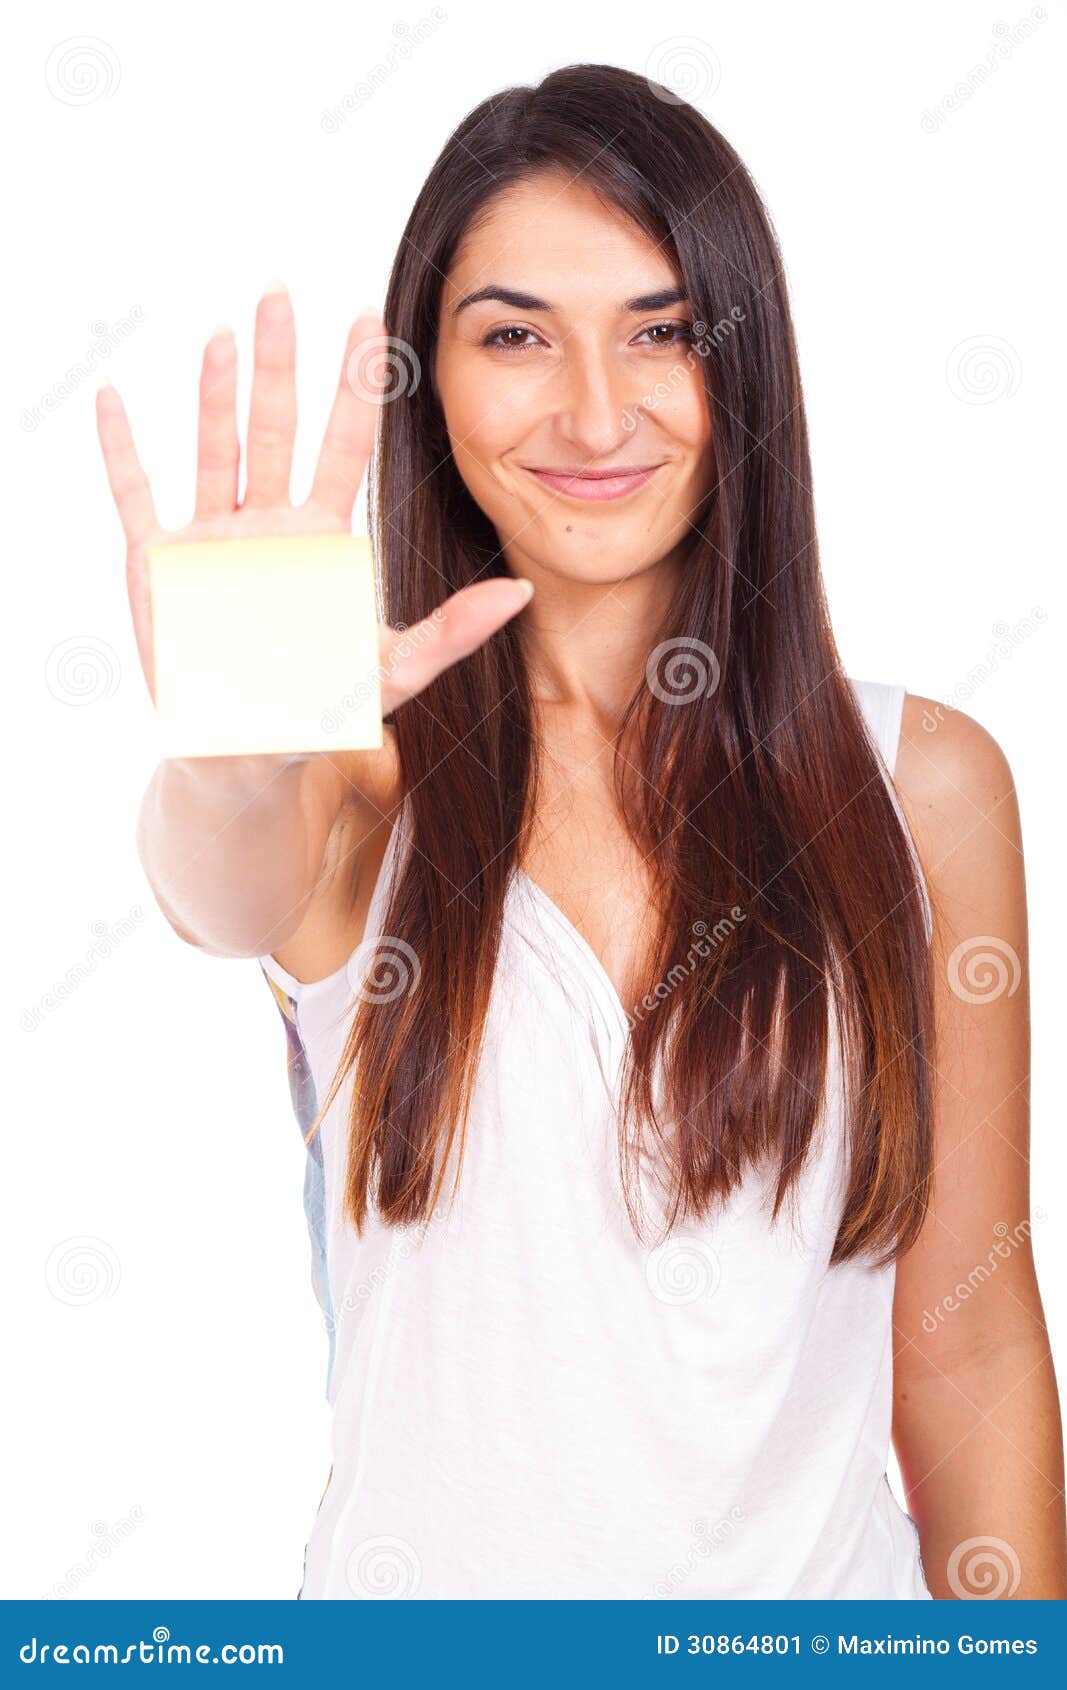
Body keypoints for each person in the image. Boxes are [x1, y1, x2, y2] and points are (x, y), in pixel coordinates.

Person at [96, 63, 1065, 1601]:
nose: (596, 410)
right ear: (434, 380)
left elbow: (969, 1341)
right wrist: (232, 751)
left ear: (743, 365)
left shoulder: (925, 785)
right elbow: (221, 884)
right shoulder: (355, 782)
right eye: (516, 336)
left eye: (664, 331)